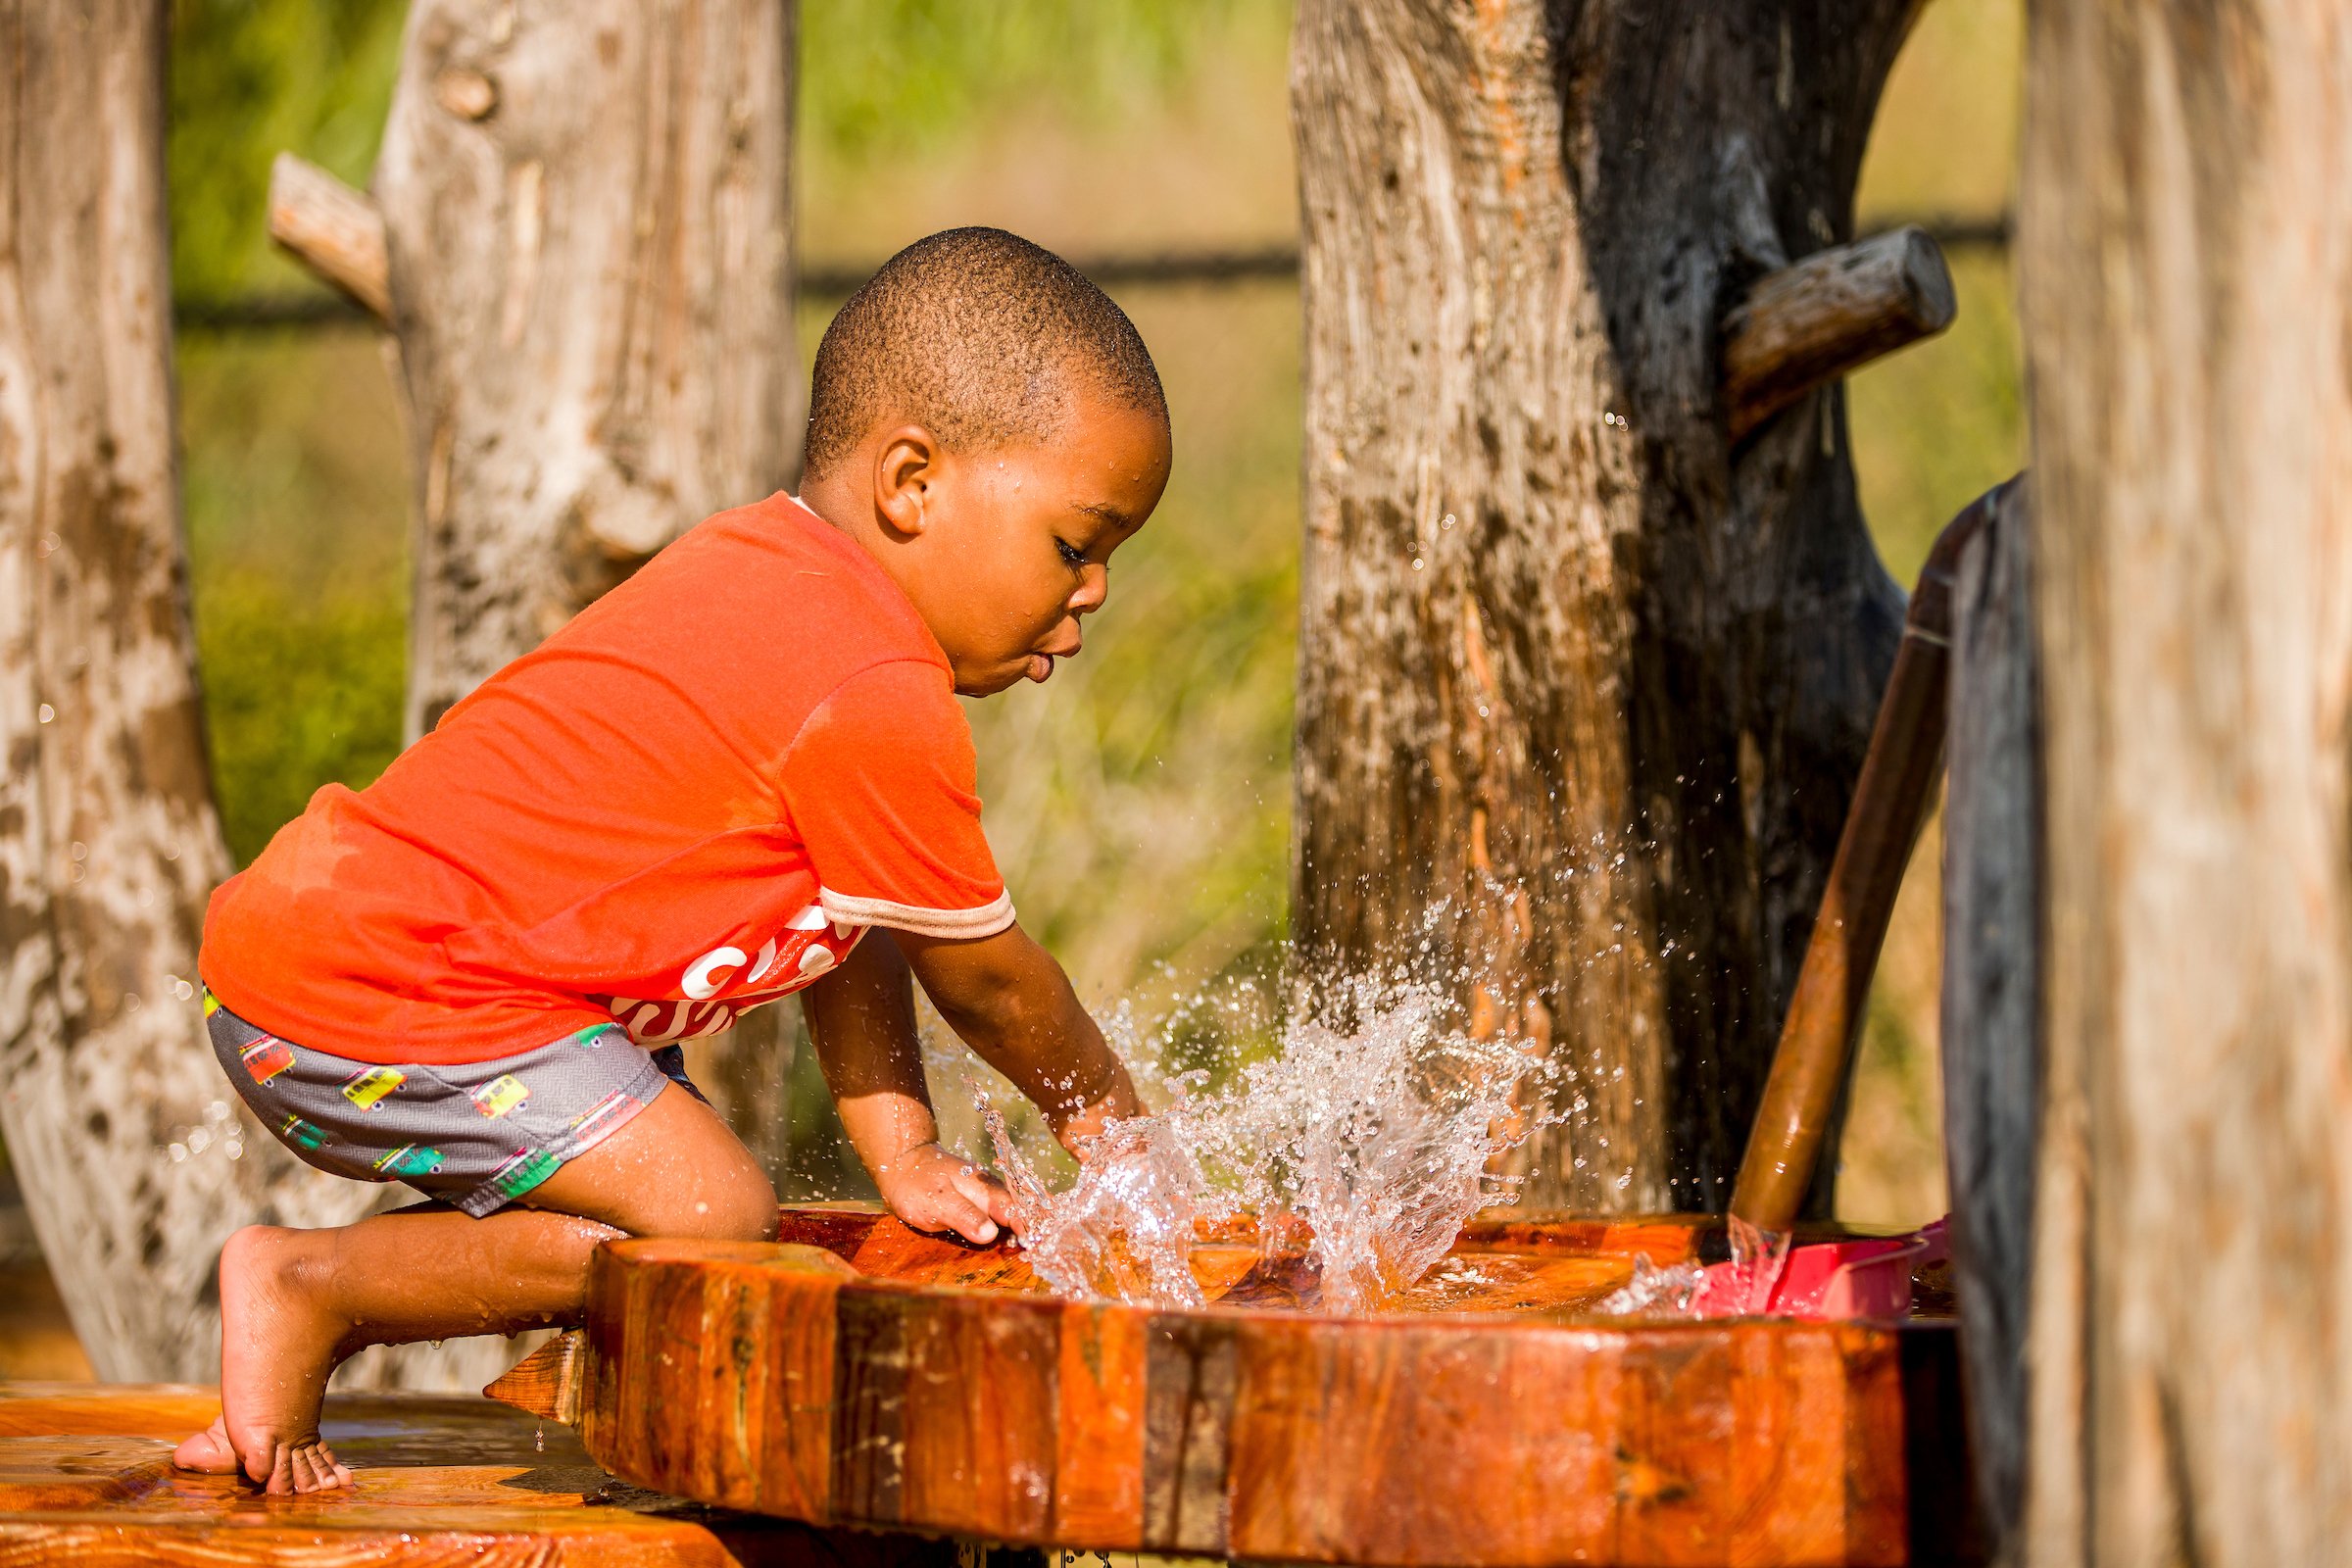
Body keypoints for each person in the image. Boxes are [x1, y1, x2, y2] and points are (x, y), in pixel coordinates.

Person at [172, 227, 1167, 1494]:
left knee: (683, 1221)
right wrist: (1128, 1139)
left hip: (354, 953)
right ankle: (309, 1286)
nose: (1088, 595)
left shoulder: (792, 589)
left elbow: (849, 924)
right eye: (1076, 546)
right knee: (710, 1215)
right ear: (911, 481)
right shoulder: (869, 684)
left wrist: (904, 1151)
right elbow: (991, 986)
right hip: (369, 983)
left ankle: (315, 1314)